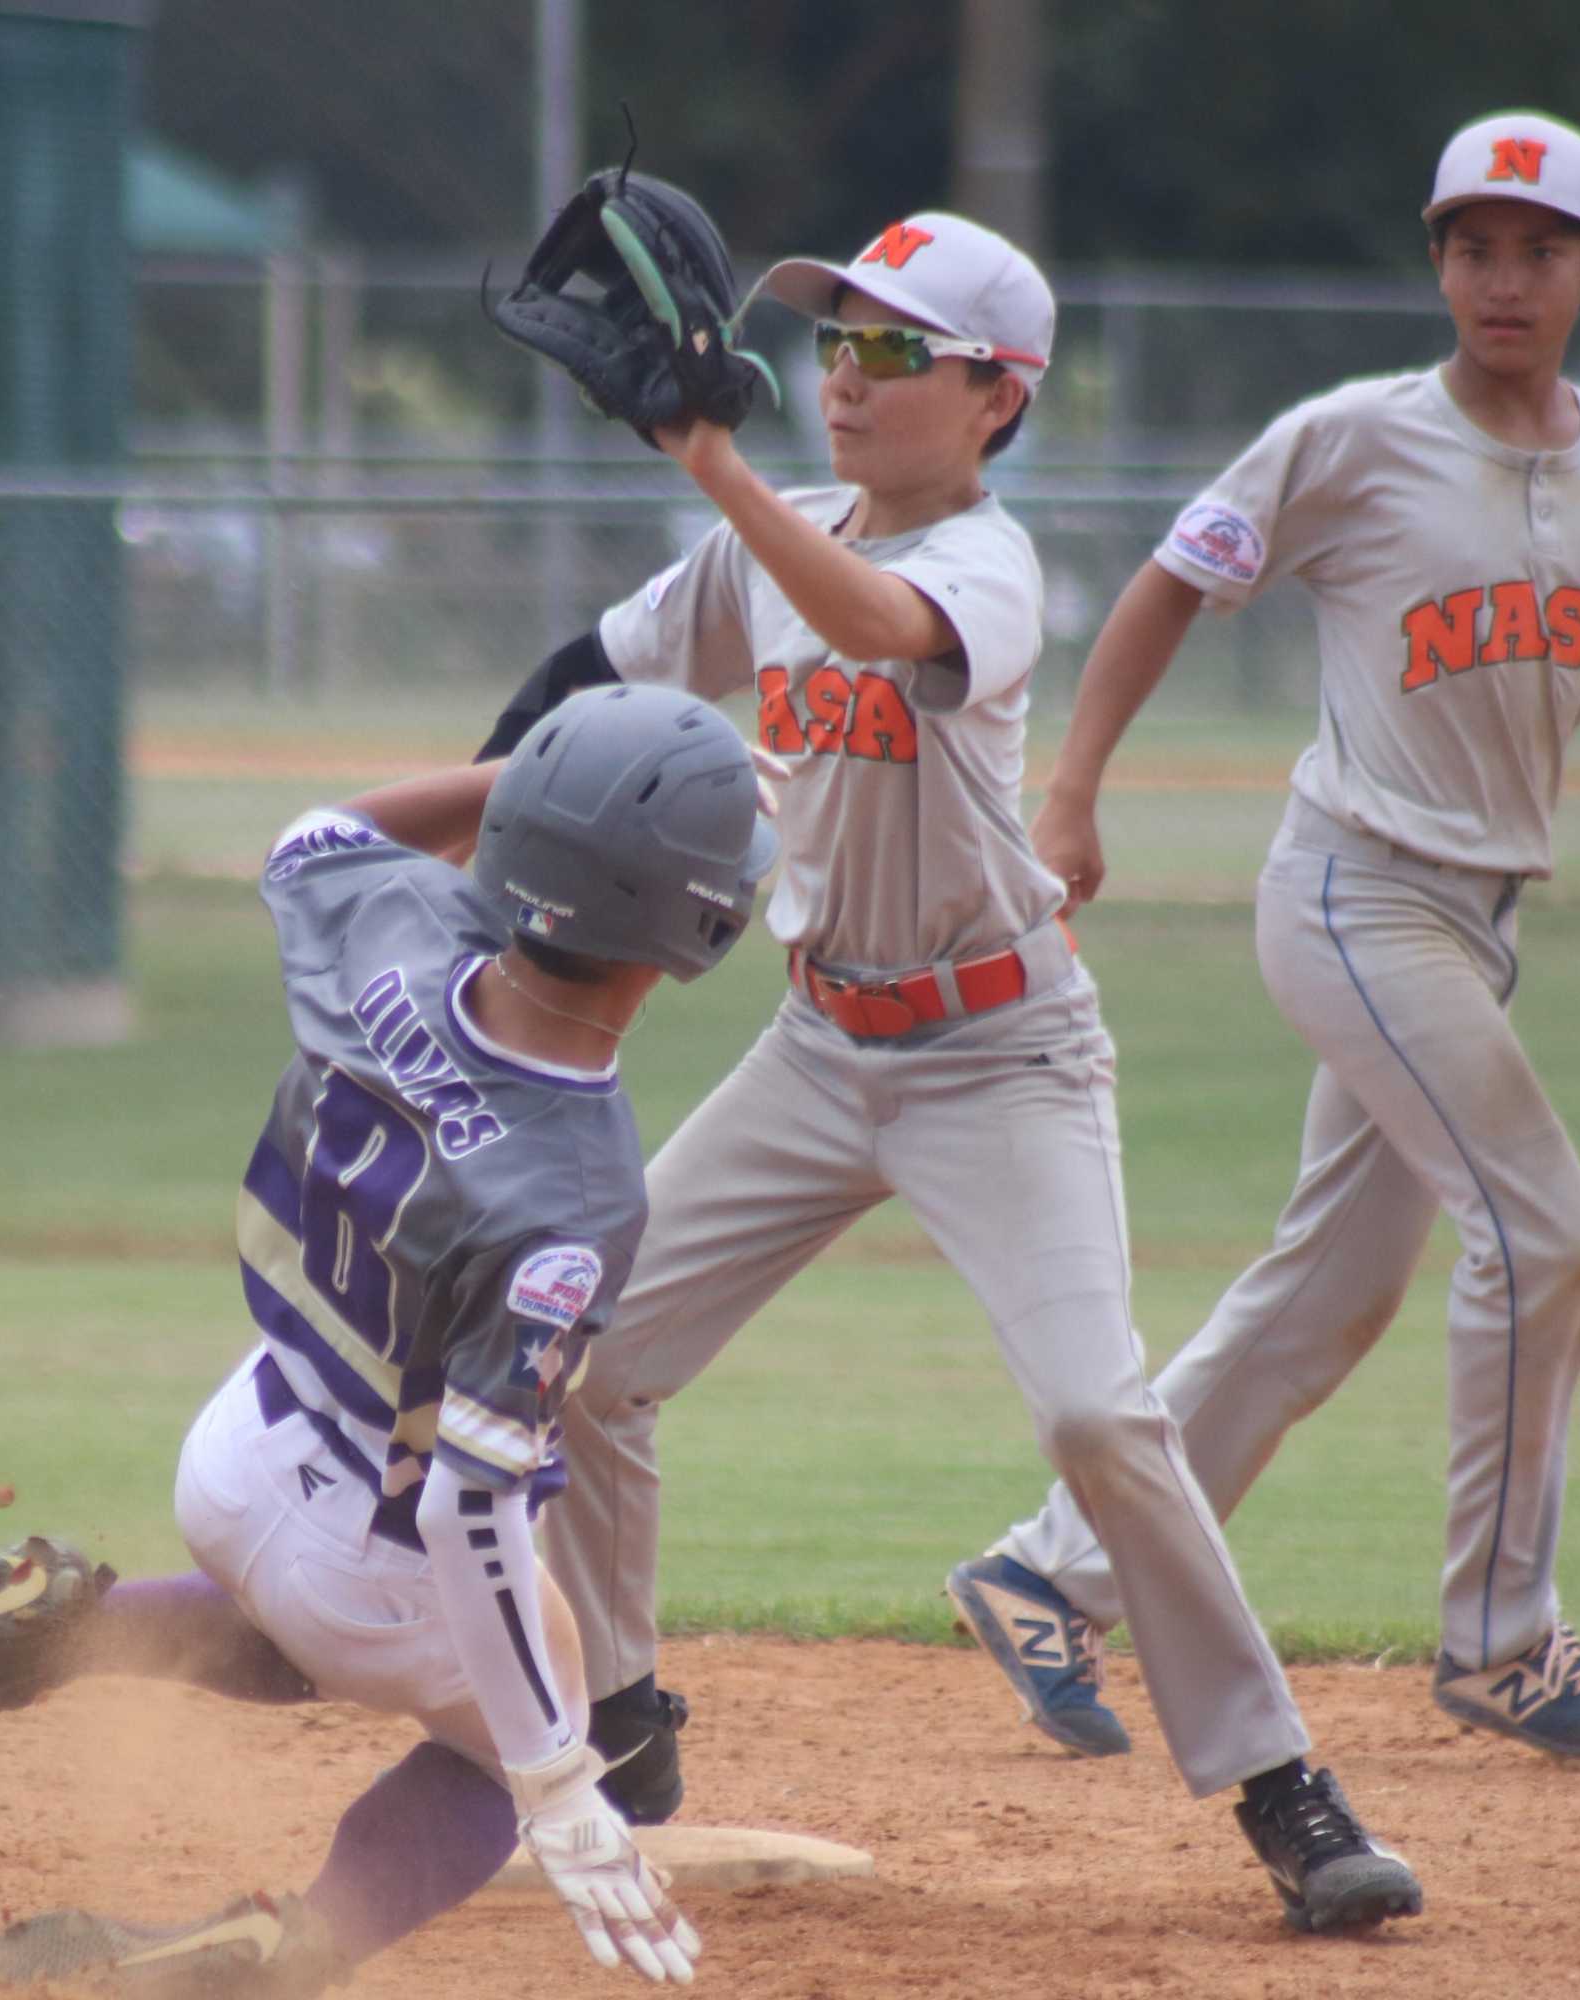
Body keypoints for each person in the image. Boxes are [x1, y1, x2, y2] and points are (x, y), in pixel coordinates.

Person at [477, 211, 1423, 1935]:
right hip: (815, 1046)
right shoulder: (771, 542)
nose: (848, 375)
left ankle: (1283, 1784)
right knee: (589, 1358)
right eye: (838, 340)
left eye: (898, 349)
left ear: (999, 398)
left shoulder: (991, 562)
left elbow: (868, 621)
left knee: (1095, 1416)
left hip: (1002, 1054)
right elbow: (583, 683)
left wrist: (707, 460)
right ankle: (622, 1716)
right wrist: (452, 841)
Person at [953, 110, 1580, 1769]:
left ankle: (1049, 1574)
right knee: (1545, 1239)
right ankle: (1502, 1643)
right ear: (1438, 265)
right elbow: (1171, 581)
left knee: (1324, 1298)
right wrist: (1071, 793)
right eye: (1472, 246)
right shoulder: (1352, 438)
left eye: (1539, 249)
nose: (1503, 278)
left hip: (1478, 923)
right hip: (1352, 892)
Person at [0, 682, 781, 1996]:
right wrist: (555, 1782)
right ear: (701, 928)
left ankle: (46, 1634)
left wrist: (548, 790)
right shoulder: (575, 1191)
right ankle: (283, 1955)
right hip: (376, 1554)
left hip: (238, 1451)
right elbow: (471, 1513)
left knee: (314, 1634)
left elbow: (321, 834)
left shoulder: (394, 926)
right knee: (506, 1740)